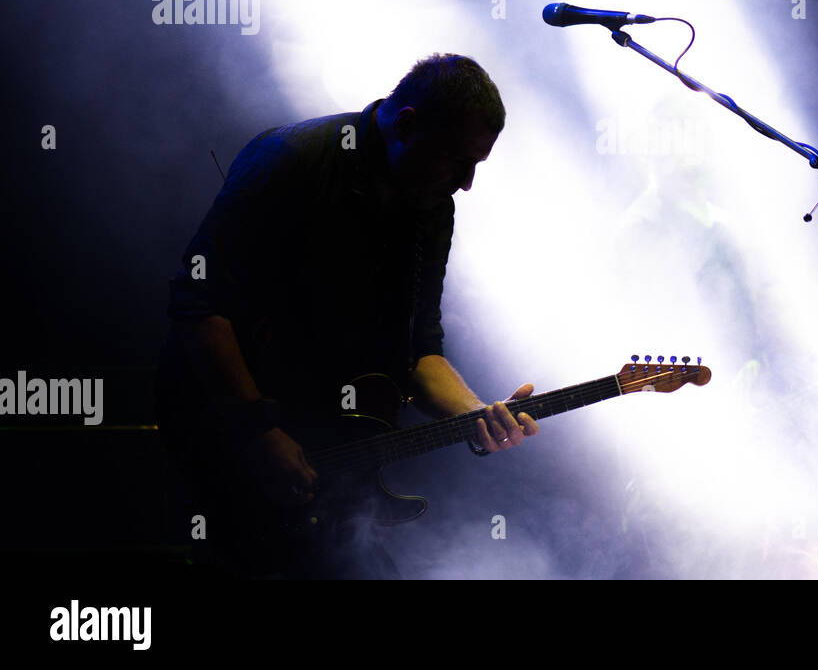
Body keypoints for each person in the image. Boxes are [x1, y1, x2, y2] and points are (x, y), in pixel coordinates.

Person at [155, 54, 538, 577]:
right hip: (226, 449)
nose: (467, 183)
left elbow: (420, 349)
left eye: (477, 165)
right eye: (455, 160)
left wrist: (477, 415)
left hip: (324, 467)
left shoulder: (432, 207)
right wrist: (258, 431)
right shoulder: (292, 158)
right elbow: (200, 308)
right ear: (405, 124)